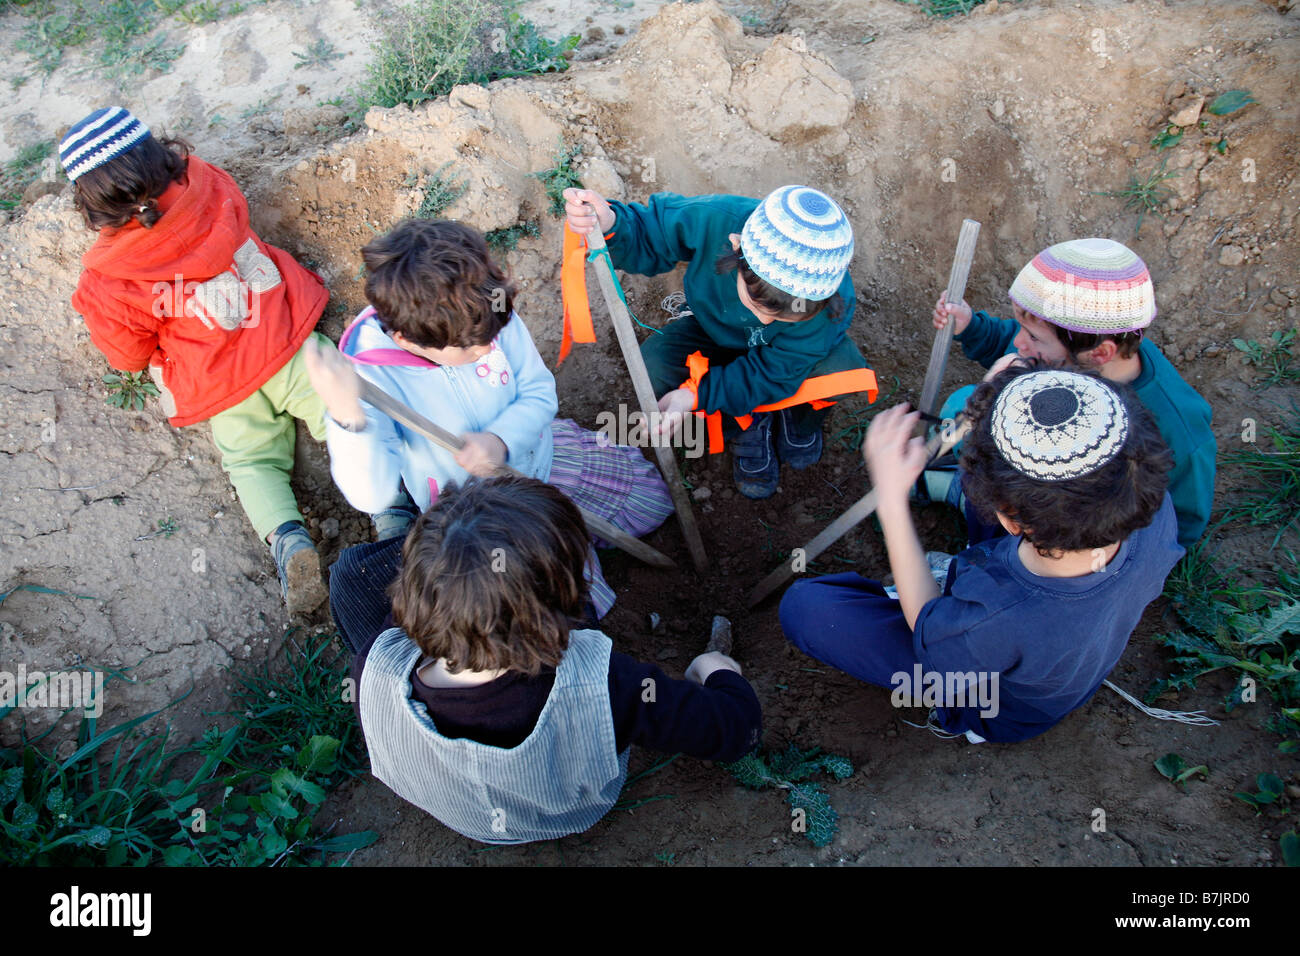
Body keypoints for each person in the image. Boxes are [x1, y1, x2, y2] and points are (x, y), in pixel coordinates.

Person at [343, 475, 761, 845]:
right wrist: (717, 670)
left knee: (355, 573)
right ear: (558, 613)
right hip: (562, 812)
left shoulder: (376, 664)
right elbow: (737, 730)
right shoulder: (600, 686)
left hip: (455, 806)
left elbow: (374, 582)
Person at [779, 365, 1184, 743]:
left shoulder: (997, 617)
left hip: (990, 698)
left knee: (805, 608)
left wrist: (891, 501)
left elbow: (930, 633)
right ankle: (968, 521)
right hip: (1050, 644)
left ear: (1009, 520)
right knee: (992, 476)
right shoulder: (1143, 505)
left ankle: (948, 568)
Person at [307, 218, 673, 632]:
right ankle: (573, 558)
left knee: (653, 503)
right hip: (479, 519)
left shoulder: (484, 310)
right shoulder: (367, 378)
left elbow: (537, 390)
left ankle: (583, 538)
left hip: (541, 459)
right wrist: (347, 417)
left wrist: (501, 439)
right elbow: (371, 495)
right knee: (563, 602)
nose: (487, 350)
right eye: (469, 347)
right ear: (409, 340)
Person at [64, 106, 333, 613]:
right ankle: (394, 512)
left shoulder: (107, 280)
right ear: (159, 153)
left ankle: (288, 540)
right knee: (346, 413)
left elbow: (127, 352)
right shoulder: (206, 181)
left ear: (94, 206)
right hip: (285, 335)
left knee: (251, 461)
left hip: (217, 381)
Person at [563, 184, 877, 499]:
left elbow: (772, 373)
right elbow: (651, 231)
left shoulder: (829, 304)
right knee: (653, 369)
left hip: (785, 361)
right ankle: (744, 425)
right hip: (711, 331)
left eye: (783, 315)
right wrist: (611, 224)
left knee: (839, 370)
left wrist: (697, 395)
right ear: (737, 248)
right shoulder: (716, 219)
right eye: (756, 304)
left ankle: (797, 418)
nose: (765, 321)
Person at [924, 237, 1214, 549]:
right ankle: (960, 486)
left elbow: (1184, 518)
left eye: (1034, 336)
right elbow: (1011, 339)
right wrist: (971, 327)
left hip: (1070, 523)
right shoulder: (1075, 347)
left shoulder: (1174, 424)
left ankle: (976, 514)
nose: (1020, 344)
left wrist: (1131, 553)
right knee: (963, 402)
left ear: (1100, 353)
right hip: (1036, 477)